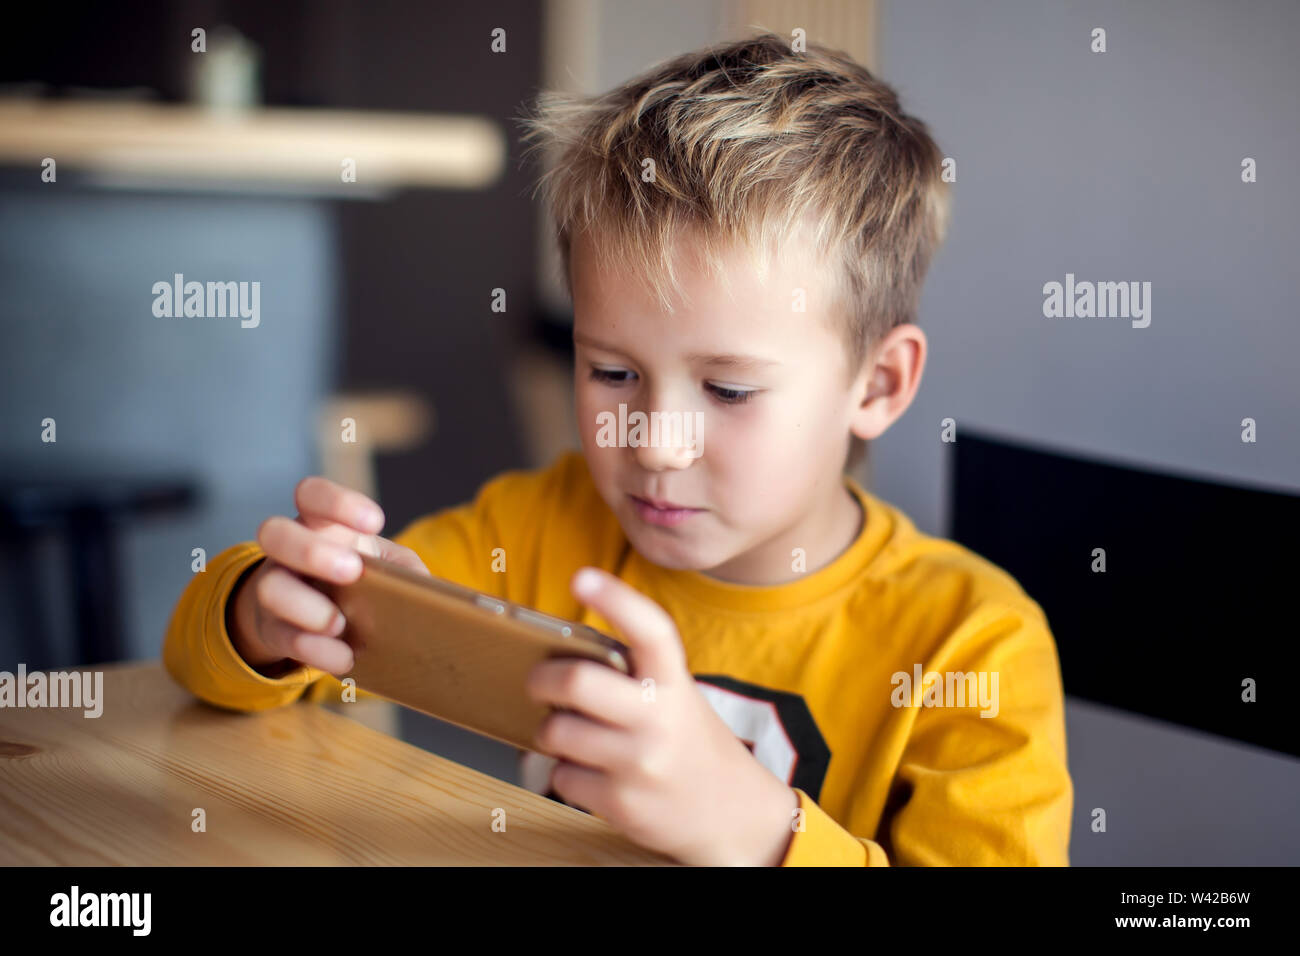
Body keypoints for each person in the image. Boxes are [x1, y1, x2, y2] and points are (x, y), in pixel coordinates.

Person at [164, 32, 1072, 866]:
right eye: (612, 374)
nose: (655, 444)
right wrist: (270, 618)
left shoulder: (972, 648)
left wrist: (760, 832)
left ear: (876, 385)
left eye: (729, 390)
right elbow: (216, 683)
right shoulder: (537, 526)